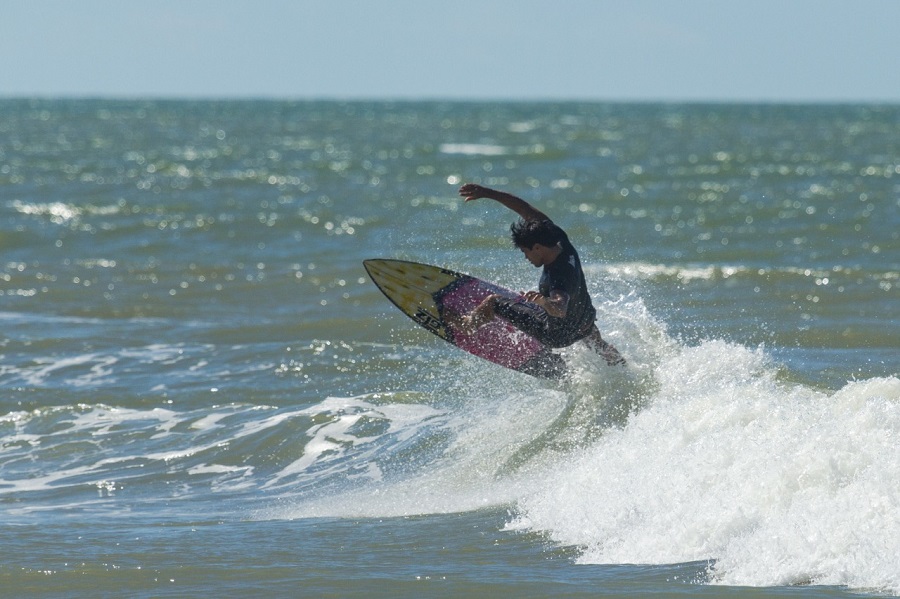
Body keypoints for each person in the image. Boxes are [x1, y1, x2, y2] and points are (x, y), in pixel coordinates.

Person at [455, 183, 625, 367]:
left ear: (537, 247)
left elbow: (559, 307)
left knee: (494, 302)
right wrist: (487, 193)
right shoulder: (558, 238)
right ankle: (622, 365)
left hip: (556, 335)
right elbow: (524, 209)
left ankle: (467, 325)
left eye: (525, 252)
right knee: (597, 342)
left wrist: (544, 302)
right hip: (584, 321)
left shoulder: (557, 276)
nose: (526, 257)